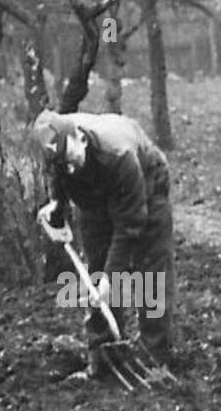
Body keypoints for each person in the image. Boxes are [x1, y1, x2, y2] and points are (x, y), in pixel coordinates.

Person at [32, 109, 175, 377]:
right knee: (96, 271)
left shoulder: (118, 155)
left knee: (151, 272)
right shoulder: (60, 155)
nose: (69, 166)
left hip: (146, 183)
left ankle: (156, 359)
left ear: (81, 139)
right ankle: (103, 355)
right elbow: (59, 175)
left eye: (71, 158)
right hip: (95, 195)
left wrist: (112, 277)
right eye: (63, 163)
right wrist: (57, 206)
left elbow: (129, 227)